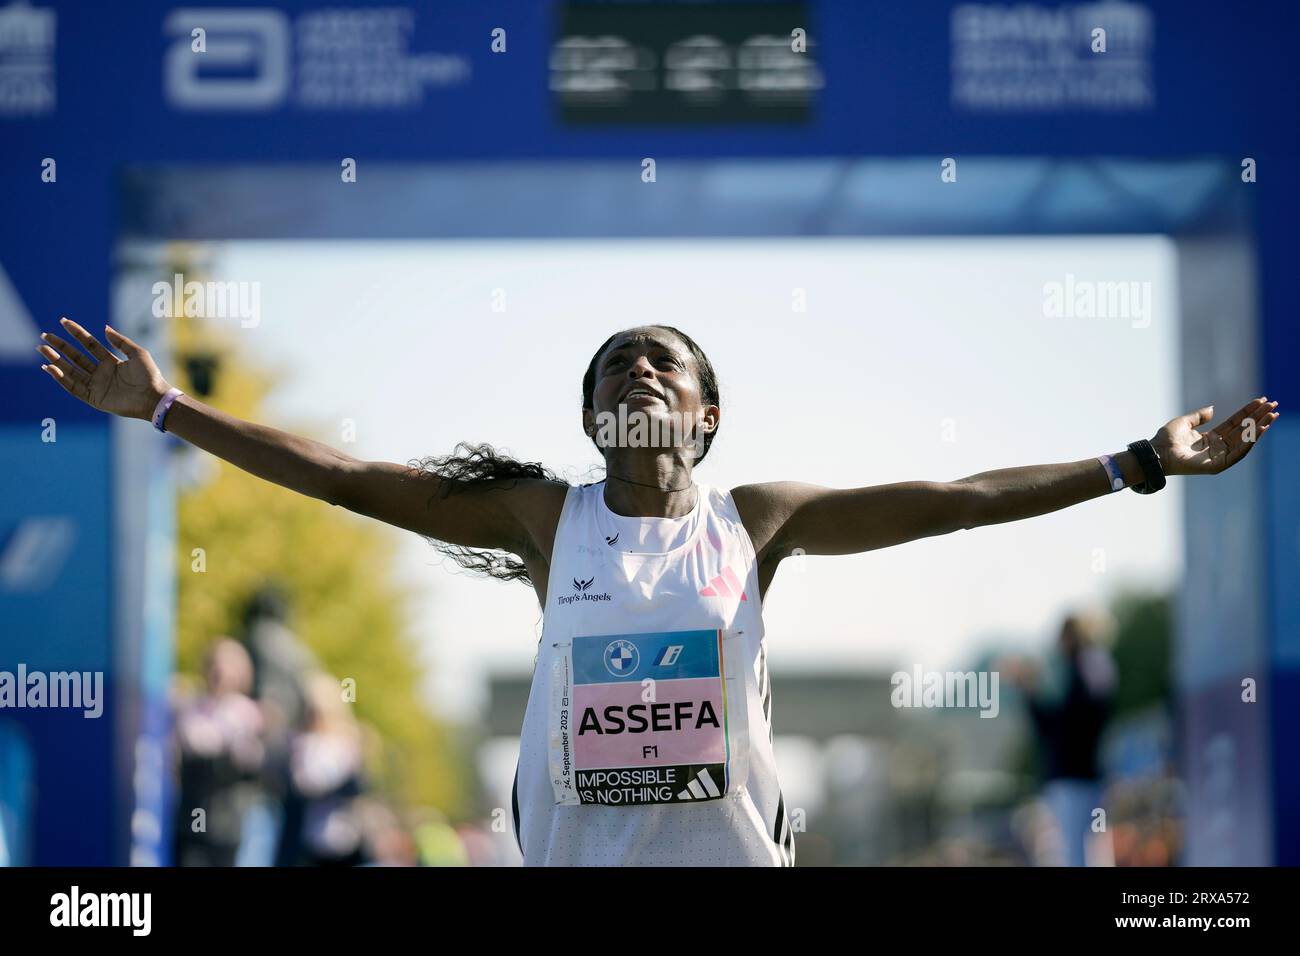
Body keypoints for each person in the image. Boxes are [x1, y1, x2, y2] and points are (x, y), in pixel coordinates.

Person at [36, 318, 1279, 867]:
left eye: (665, 359)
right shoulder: (543, 518)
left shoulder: (758, 522)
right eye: (616, 361)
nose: (640, 365)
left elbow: (955, 495)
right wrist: (164, 407)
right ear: (591, 417)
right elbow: (357, 479)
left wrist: (1135, 463)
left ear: (706, 413)